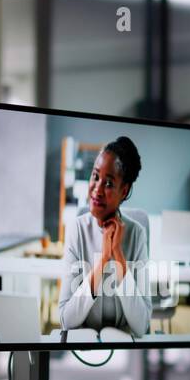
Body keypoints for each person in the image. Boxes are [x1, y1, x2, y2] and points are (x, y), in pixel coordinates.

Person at [58, 136, 152, 338]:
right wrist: (102, 260)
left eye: (109, 183)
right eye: (95, 176)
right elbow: (66, 319)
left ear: (124, 190)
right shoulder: (76, 230)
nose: (97, 189)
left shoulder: (137, 235)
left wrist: (117, 255)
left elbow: (142, 325)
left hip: (124, 348)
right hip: (84, 348)